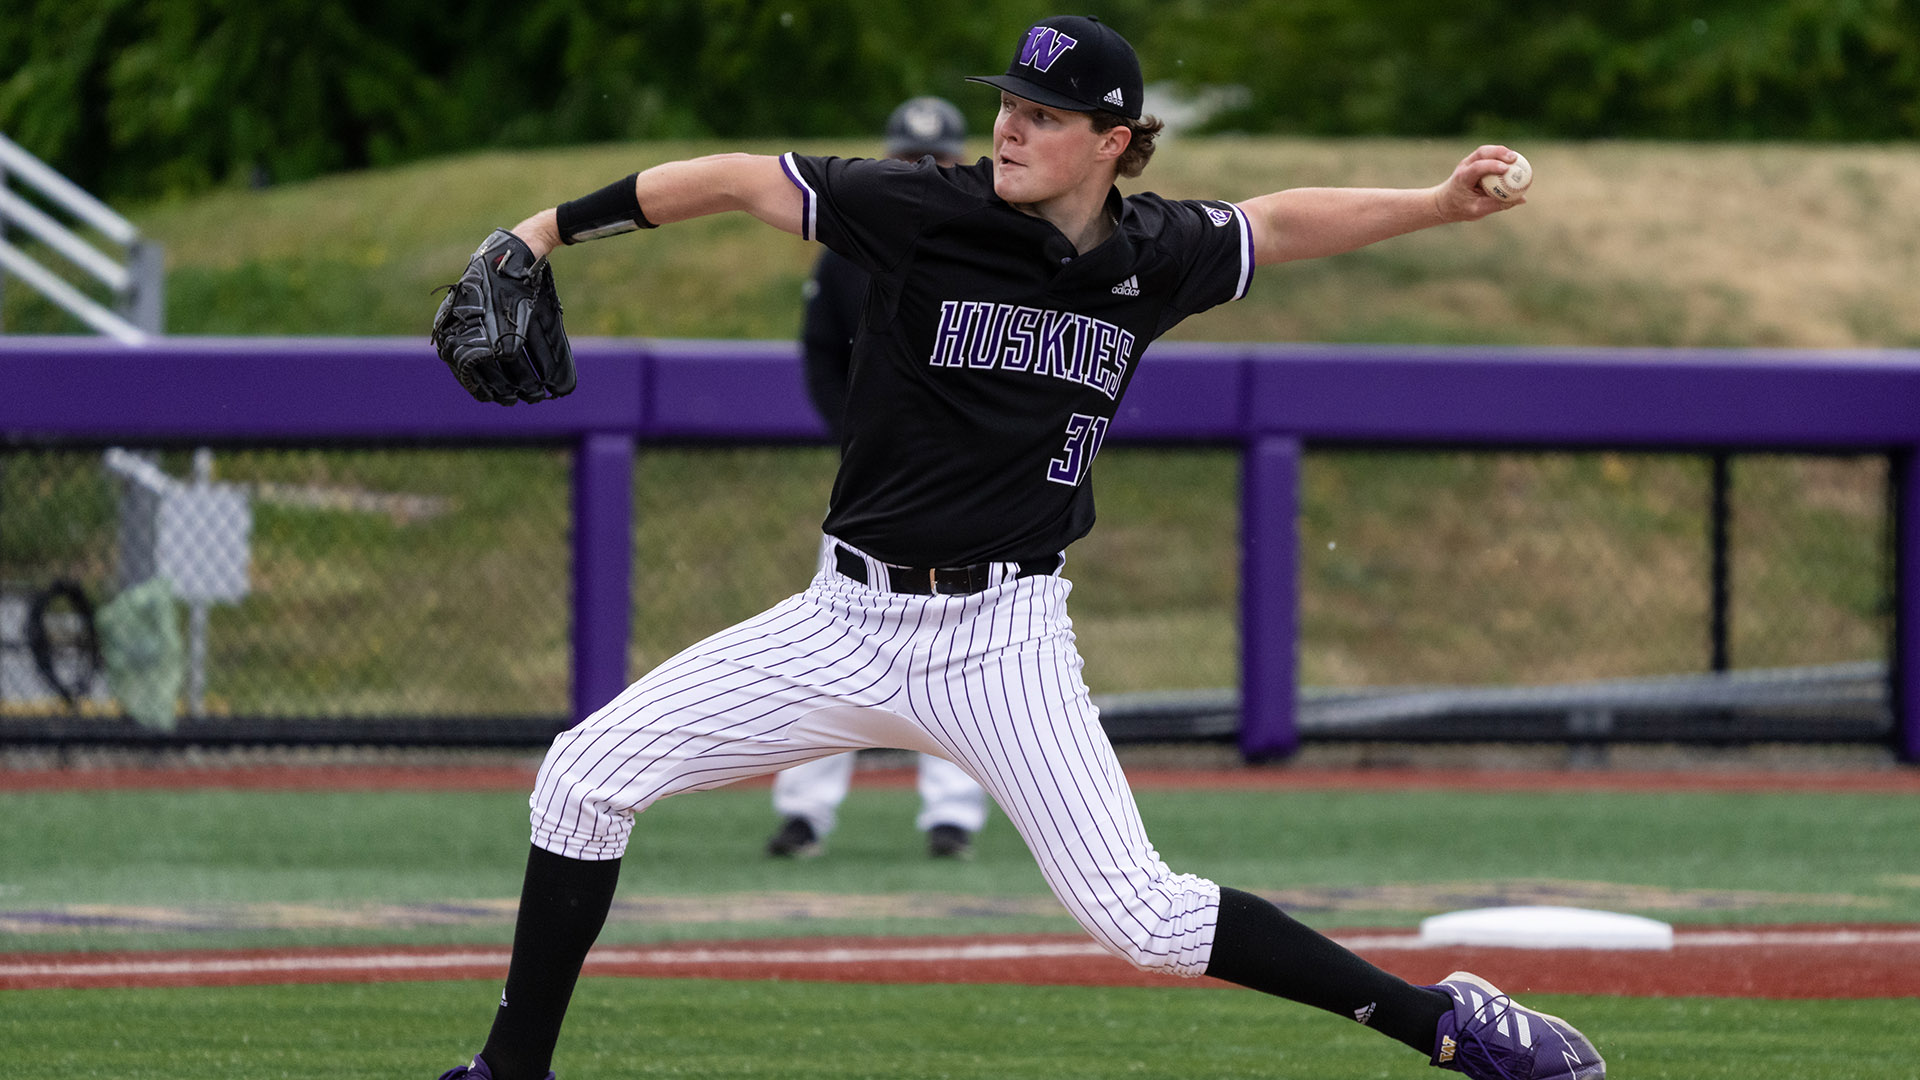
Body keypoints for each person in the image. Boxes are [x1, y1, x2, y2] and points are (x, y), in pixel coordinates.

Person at [434, 15, 1603, 1080]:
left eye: (1044, 113)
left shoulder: (1155, 253)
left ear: (1115, 141)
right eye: (1009, 102)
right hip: (842, 623)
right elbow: (742, 179)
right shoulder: (924, 210)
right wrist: (544, 232)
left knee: (1145, 920)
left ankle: (1446, 1023)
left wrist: (1439, 203)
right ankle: (509, 1075)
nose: (1010, 125)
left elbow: (1280, 220)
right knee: (584, 781)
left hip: (1004, 642)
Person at [769, 94, 990, 861]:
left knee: (968, 655)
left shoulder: (993, 247)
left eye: (939, 159)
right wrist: (857, 440)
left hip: (971, 487)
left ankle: (952, 816)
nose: (924, 172)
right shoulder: (849, 246)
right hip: (872, 487)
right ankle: (804, 812)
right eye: (908, 159)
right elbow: (820, 355)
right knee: (828, 650)